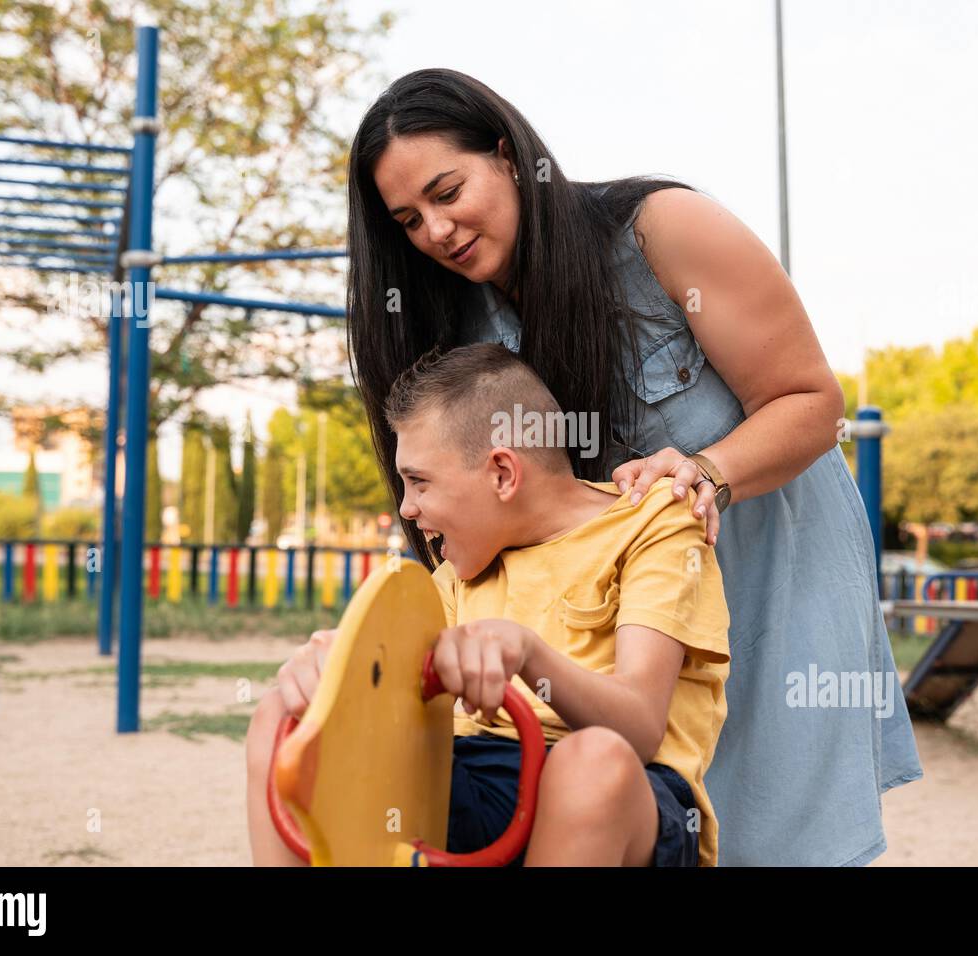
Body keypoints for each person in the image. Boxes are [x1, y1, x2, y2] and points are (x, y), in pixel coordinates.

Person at [344, 68, 922, 865]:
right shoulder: (460, 322)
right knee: (635, 804)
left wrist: (706, 473)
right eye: (409, 219)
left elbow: (813, 404)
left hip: (767, 568)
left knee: (777, 831)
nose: (437, 230)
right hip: (623, 606)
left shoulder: (661, 229)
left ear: (508, 156)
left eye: (449, 191)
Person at [246, 343, 730, 866]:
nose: (407, 508)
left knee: (592, 762)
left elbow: (638, 727)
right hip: (476, 778)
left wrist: (528, 652)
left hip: (623, 794)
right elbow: (395, 695)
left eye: (420, 482)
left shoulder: (652, 523)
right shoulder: (460, 571)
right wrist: (339, 672)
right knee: (282, 715)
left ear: (502, 474)